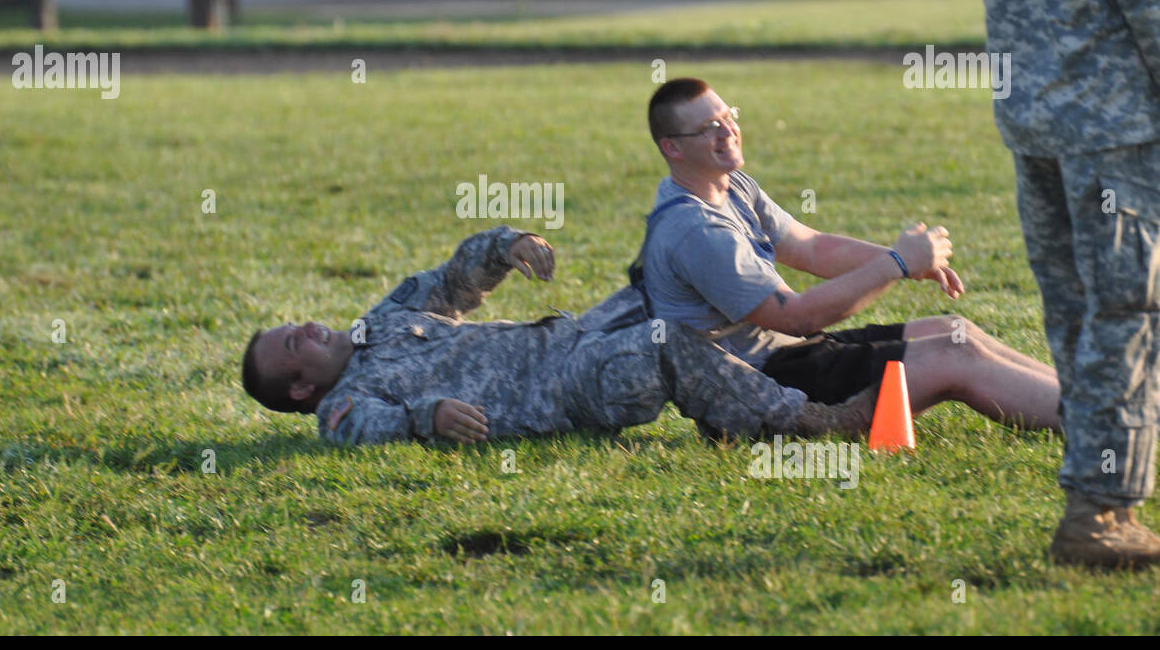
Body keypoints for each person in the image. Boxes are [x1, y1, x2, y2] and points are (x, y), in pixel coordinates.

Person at [962, 0, 1160, 567]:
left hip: (1029, 118)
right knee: (1125, 310)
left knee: (1073, 310)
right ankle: (1100, 512)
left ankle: (1089, 484)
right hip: (1112, 121)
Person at [636, 78, 1063, 444]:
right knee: (959, 355)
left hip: (794, 358)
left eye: (729, 117)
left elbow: (811, 246)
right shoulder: (696, 230)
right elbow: (797, 317)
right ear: (672, 147)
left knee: (954, 331)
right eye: (710, 128)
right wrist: (895, 263)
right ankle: (1101, 425)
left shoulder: (731, 188)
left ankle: (1096, 402)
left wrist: (908, 262)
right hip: (766, 392)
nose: (728, 131)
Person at [241, 226, 885, 446]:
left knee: (667, 281)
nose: (303, 328)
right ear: (300, 387)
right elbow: (363, 433)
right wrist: (426, 416)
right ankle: (804, 424)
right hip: (569, 390)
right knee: (662, 340)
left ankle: (813, 348)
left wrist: (506, 245)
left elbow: (451, 280)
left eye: (292, 327)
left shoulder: (376, 325)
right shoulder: (340, 407)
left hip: (578, 336)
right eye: (292, 344)